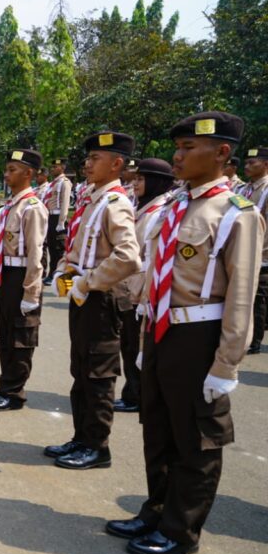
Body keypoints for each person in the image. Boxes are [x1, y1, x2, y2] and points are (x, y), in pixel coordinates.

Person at [107, 111, 264, 554]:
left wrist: (226, 364)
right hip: (160, 331)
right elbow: (154, 276)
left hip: (200, 336)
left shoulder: (236, 214)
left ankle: (180, 530)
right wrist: (144, 343)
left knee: (196, 437)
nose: (177, 156)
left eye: (188, 148)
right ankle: (156, 510)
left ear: (222, 152)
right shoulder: (175, 206)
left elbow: (241, 295)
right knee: (157, 428)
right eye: (177, 147)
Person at [47, 131, 141, 469]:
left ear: (116, 164)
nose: (87, 164)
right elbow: (76, 248)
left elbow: (128, 257)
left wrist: (87, 283)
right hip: (83, 294)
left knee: (99, 374)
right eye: (87, 158)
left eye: (95, 159)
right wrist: (63, 273)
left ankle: (97, 446)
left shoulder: (116, 204)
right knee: (81, 370)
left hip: (102, 298)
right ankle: (81, 437)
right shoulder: (92, 199)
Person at [0, 149, 48, 411]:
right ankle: (5, 385)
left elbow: (36, 254)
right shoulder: (12, 205)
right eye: (6, 169)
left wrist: (31, 292)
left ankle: (14, 392)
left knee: (20, 336)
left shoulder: (32, 208)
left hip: (21, 277)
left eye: (12, 170)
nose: (6, 175)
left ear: (28, 173)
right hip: (6, 276)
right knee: (5, 333)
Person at [113, 159, 177, 413]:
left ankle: (138, 396)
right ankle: (133, 392)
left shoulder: (159, 212)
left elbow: (151, 259)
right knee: (128, 344)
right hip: (129, 287)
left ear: (157, 182)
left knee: (135, 345)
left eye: (141, 179)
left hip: (141, 291)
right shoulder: (142, 208)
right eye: (136, 178)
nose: (135, 184)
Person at [240, 146, 268, 354]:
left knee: (258, 298)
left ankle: (255, 341)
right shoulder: (244, 189)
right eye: (247, 162)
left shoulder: (266, 189)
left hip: (261, 253)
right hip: (243, 250)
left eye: (252, 162)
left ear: (266, 164)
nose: (247, 166)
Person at [43, 158, 72, 285]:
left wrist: (61, 222)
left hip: (57, 218)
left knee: (58, 249)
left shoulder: (65, 183)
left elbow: (65, 203)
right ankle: (52, 273)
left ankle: (56, 275)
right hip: (50, 217)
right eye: (52, 166)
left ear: (62, 168)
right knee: (51, 248)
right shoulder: (53, 184)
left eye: (56, 167)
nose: (52, 169)